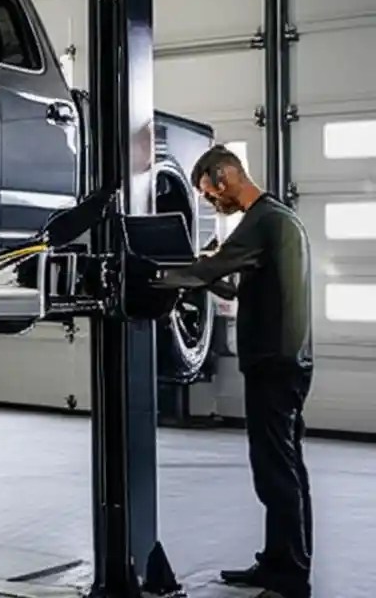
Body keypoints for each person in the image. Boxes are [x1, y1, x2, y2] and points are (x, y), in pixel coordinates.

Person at [153, 145, 313, 598]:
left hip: (274, 364)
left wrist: (157, 276)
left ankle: (289, 575)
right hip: (288, 362)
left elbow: (210, 271)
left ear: (223, 178)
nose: (211, 204)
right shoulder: (278, 217)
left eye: (209, 195)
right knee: (286, 467)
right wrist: (207, 269)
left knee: (275, 471)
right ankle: (280, 561)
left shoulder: (260, 222)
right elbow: (235, 281)